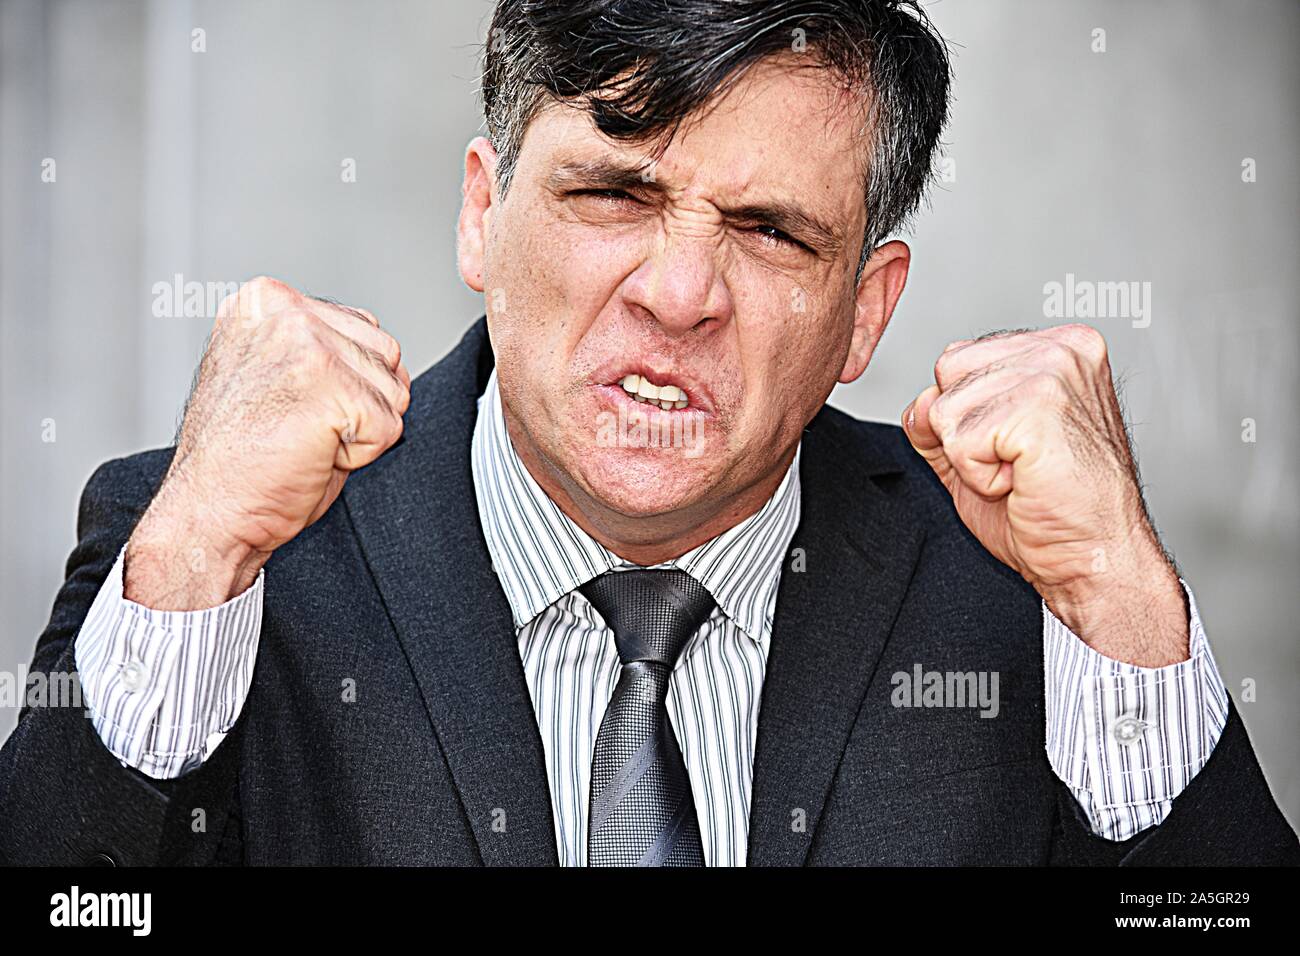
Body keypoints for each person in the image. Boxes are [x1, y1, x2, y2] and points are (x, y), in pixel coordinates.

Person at [1, 0, 1295, 866]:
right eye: (614, 195)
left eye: (770, 230)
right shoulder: (220, 543)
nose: (680, 295)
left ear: (865, 313)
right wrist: (184, 570)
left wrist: (1126, 608)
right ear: (481, 215)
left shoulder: (1027, 592)